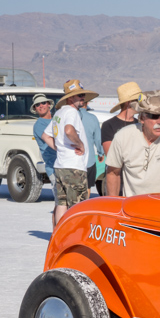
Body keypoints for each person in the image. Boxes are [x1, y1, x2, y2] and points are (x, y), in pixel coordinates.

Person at [41, 79, 97, 226]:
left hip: (60, 165)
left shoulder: (59, 112)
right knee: (77, 206)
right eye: (79, 95)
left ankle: (59, 237)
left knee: (61, 203)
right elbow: (68, 130)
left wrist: (60, 147)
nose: (82, 98)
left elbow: (45, 135)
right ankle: (75, 237)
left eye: (83, 94)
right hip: (73, 168)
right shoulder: (72, 112)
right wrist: (81, 145)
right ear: (70, 97)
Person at [99, 82, 141, 194]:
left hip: (137, 179)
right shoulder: (109, 125)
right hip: (116, 177)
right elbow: (110, 153)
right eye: (138, 100)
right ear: (128, 102)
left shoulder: (141, 124)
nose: (141, 103)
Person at [31, 94, 57, 193]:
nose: (41, 106)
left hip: (65, 165)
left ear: (49, 104)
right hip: (53, 167)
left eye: (43, 103)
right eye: (37, 105)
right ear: (35, 109)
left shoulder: (56, 120)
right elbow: (56, 141)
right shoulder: (39, 125)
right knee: (60, 201)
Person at [79, 104, 103, 190]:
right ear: (86, 104)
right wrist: (101, 152)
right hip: (89, 159)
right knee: (87, 187)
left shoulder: (66, 116)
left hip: (72, 161)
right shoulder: (92, 118)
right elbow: (98, 138)